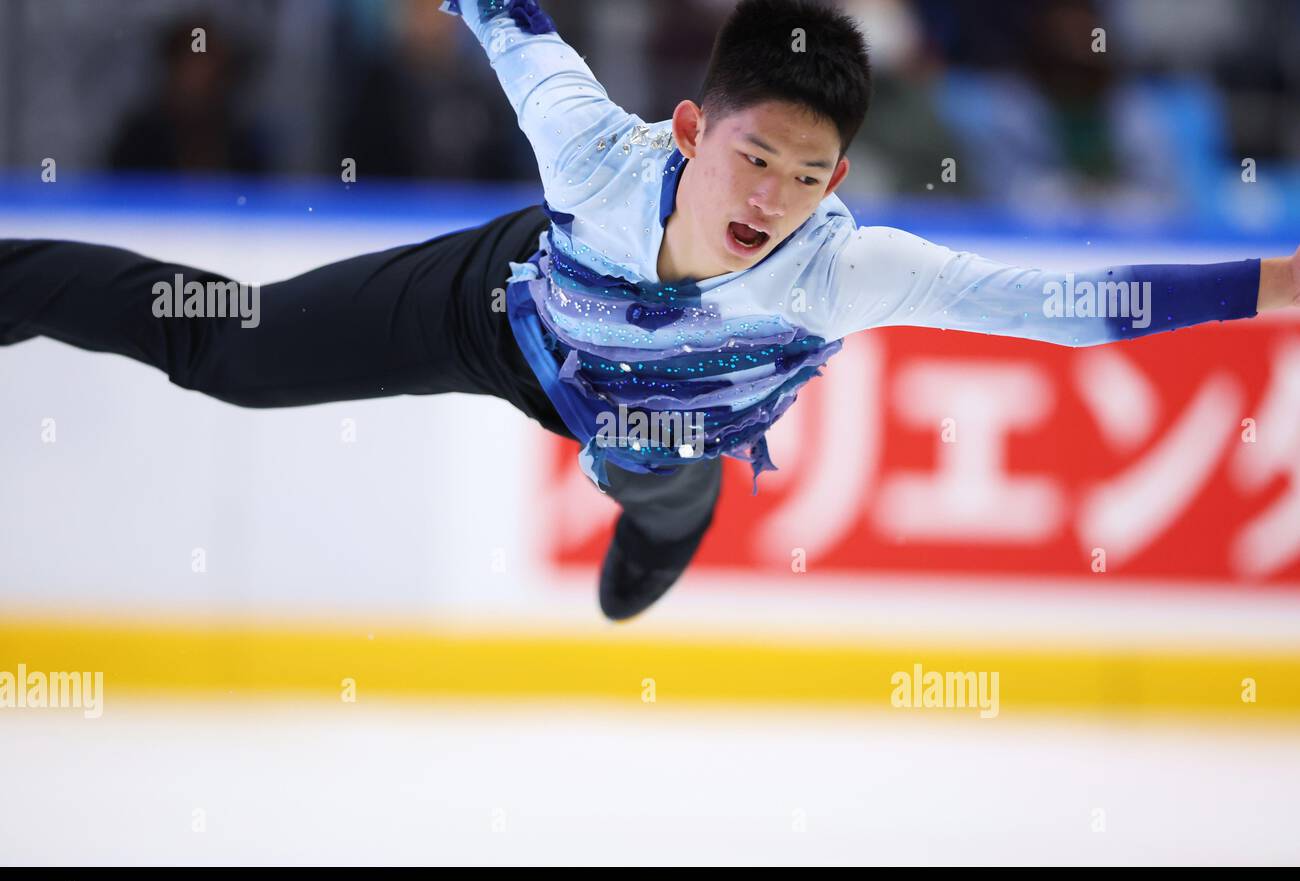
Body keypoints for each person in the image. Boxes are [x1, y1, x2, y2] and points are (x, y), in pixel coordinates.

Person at [3, 0, 1296, 622]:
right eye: (751, 160)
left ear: (839, 181)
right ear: (689, 129)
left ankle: (664, 534)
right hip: (496, 313)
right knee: (228, 353)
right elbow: (505, 18)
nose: (772, 197)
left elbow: (1078, 303)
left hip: (675, 423)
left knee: (665, 495)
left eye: (805, 178)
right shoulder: (594, 156)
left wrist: (1274, 283)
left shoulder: (848, 268)